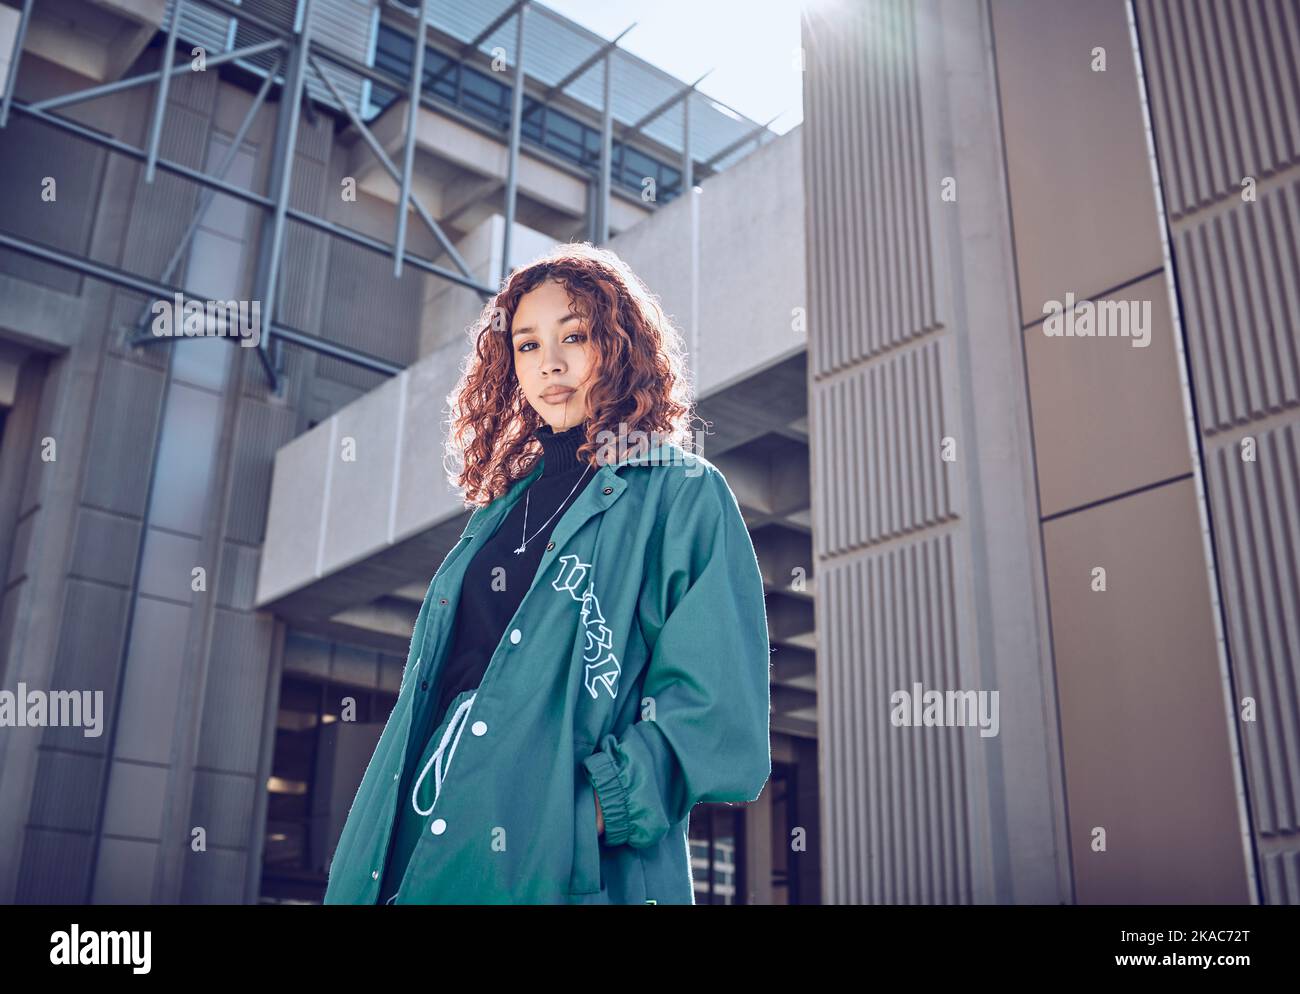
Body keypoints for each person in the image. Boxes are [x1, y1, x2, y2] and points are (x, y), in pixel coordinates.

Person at [322, 242, 771, 905]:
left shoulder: (681, 492)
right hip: (424, 827)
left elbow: (718, 715)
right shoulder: (501, 506)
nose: (550, 364)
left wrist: (591, 811)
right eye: (527, 345)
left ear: (618, 347)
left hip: (558, 857)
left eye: (576, 336)